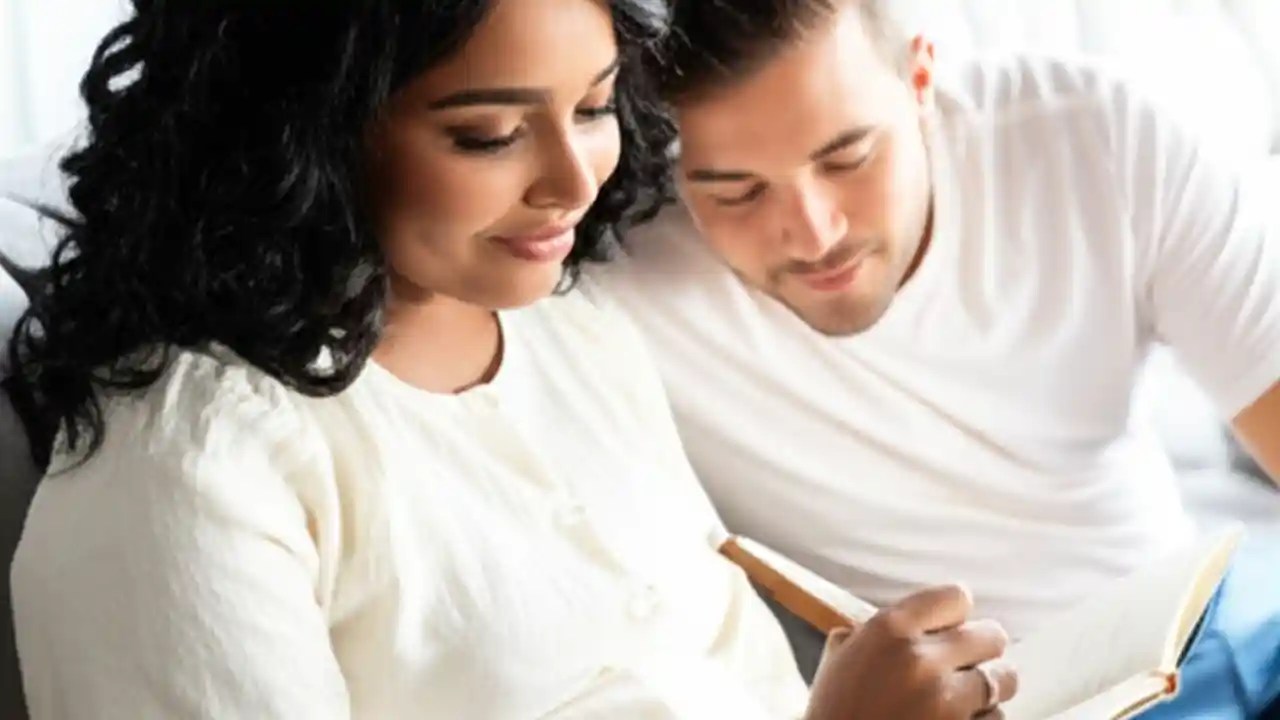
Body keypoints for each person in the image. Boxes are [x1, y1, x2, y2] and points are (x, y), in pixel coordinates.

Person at [4, 1, 1017, 718]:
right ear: (307, 131)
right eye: (488, 134)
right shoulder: (188, 475)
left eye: (592, 108)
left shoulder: (570, 332)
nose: (573, 180)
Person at [584, 0, 1280, 716]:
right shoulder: (620, 285)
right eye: (737, 192)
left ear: (921, 78)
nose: (814, 233)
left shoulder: (1088, 136)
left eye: (848, 156)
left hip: (1225, 616)